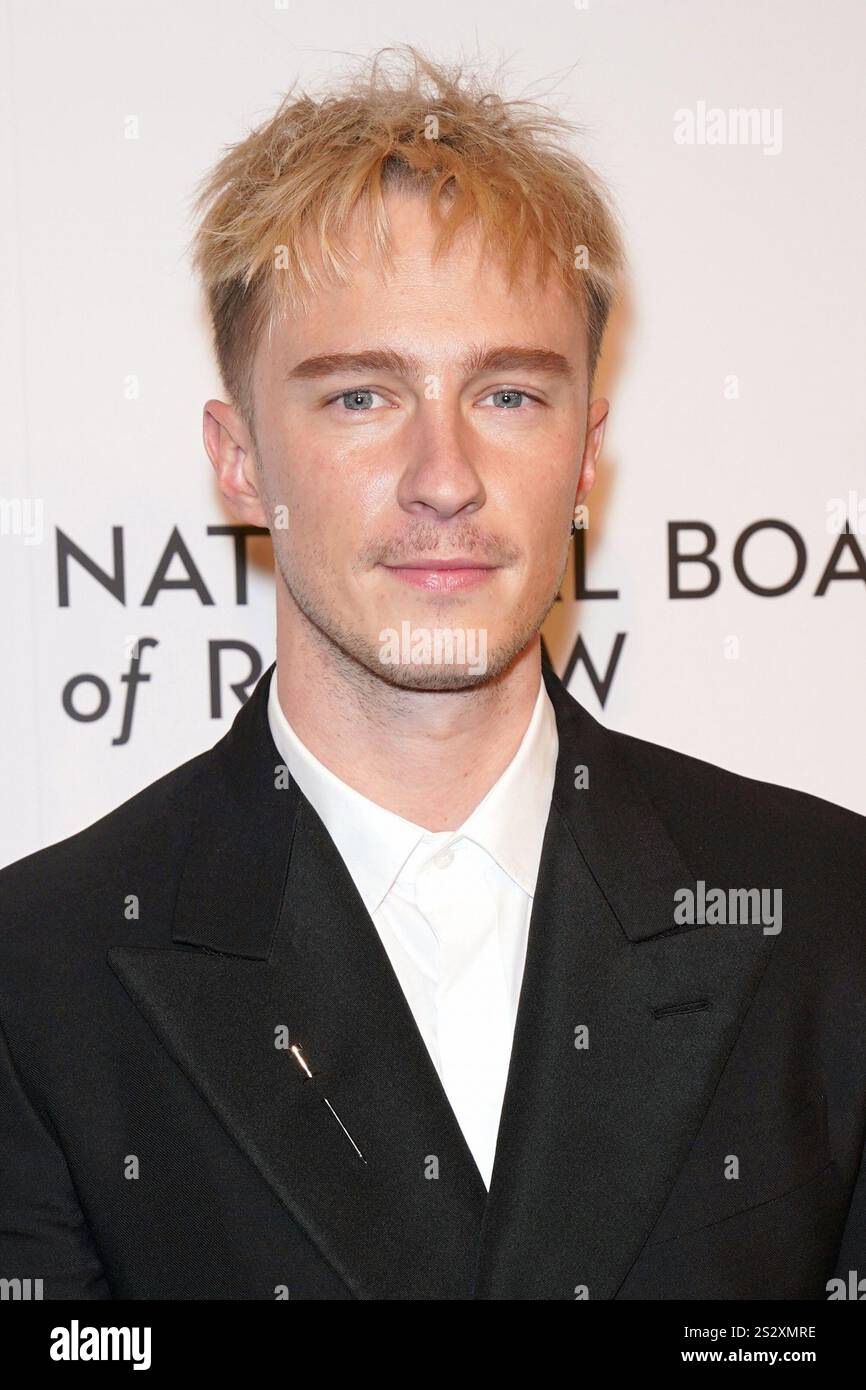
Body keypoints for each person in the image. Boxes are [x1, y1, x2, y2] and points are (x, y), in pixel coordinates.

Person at [1, 47, 864, 1301]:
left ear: (582, 457)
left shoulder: (826, 917)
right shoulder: (40, 979)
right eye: (360, 397)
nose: (444, 474)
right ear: (239, 462)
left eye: (507, 394)